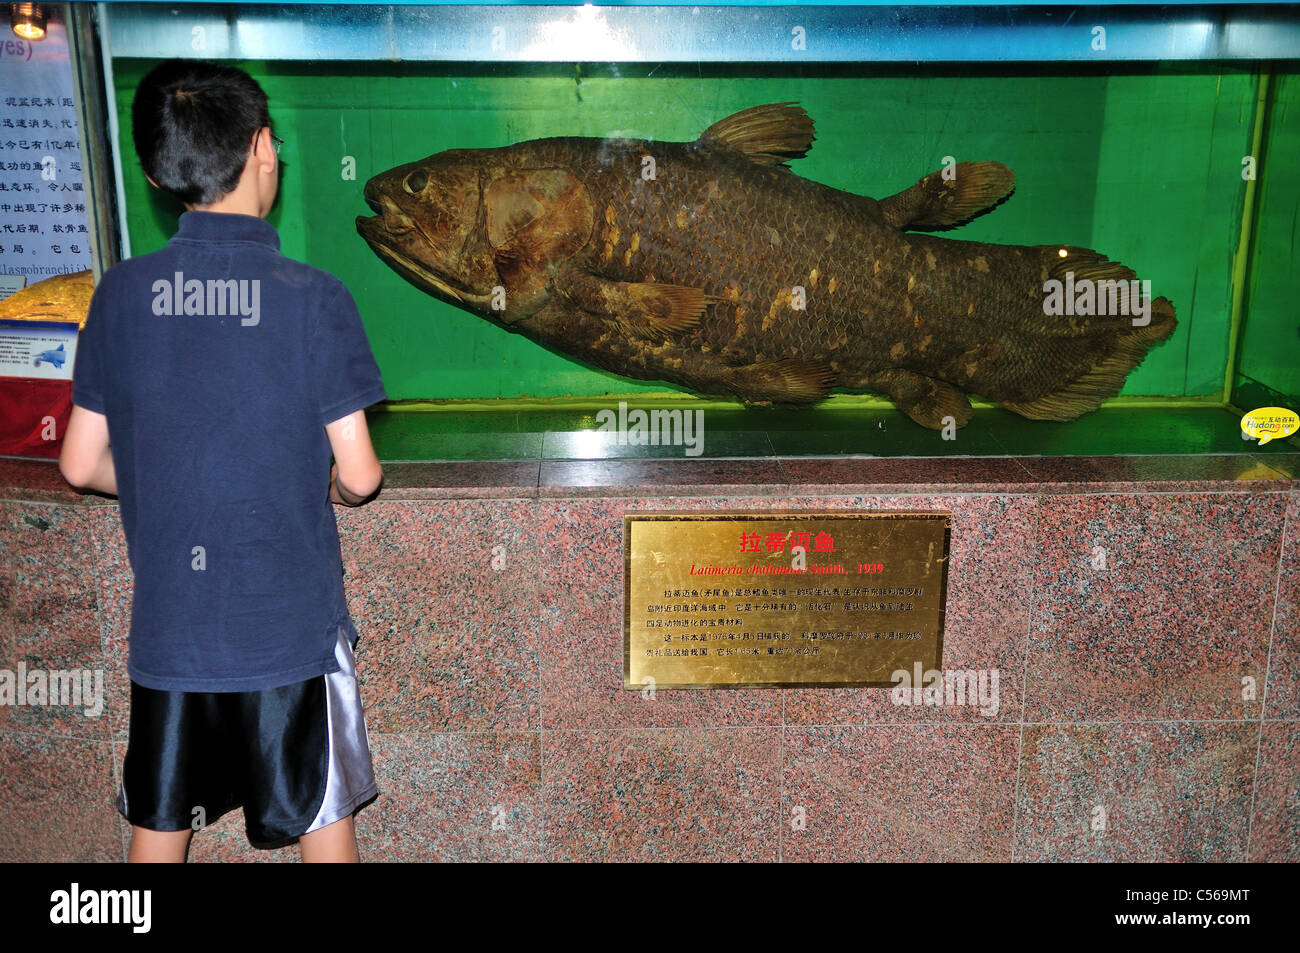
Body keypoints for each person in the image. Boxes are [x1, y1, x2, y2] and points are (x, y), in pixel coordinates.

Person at [59, 59, 386, 863]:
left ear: (153, 172)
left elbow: (78, 463)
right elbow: (362, 473)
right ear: (264, 147)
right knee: (324, 823)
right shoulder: (315, 296)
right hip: (289, 632)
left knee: (158, 835)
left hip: (173, 635)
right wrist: (327, 486)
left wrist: (156, 483)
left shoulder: (122, 295)